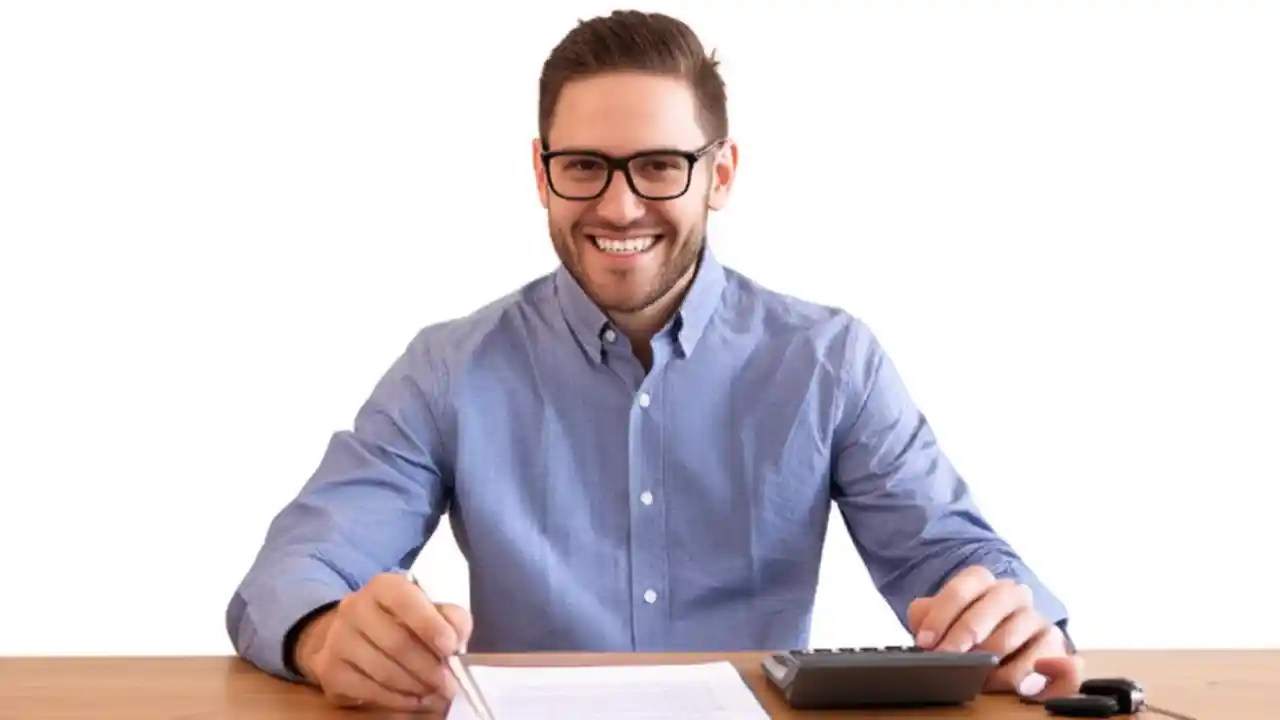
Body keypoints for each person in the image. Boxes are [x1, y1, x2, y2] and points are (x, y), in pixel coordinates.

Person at [226, 9, 1082, 713]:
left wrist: (1010, 621)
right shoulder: (449, 368)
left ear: (722, 173)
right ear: (540, 173)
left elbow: (957, 563)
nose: (619, 204)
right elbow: (294, 571)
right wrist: (326, 633)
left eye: (661, 166)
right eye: (584, 167)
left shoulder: (830, 361)